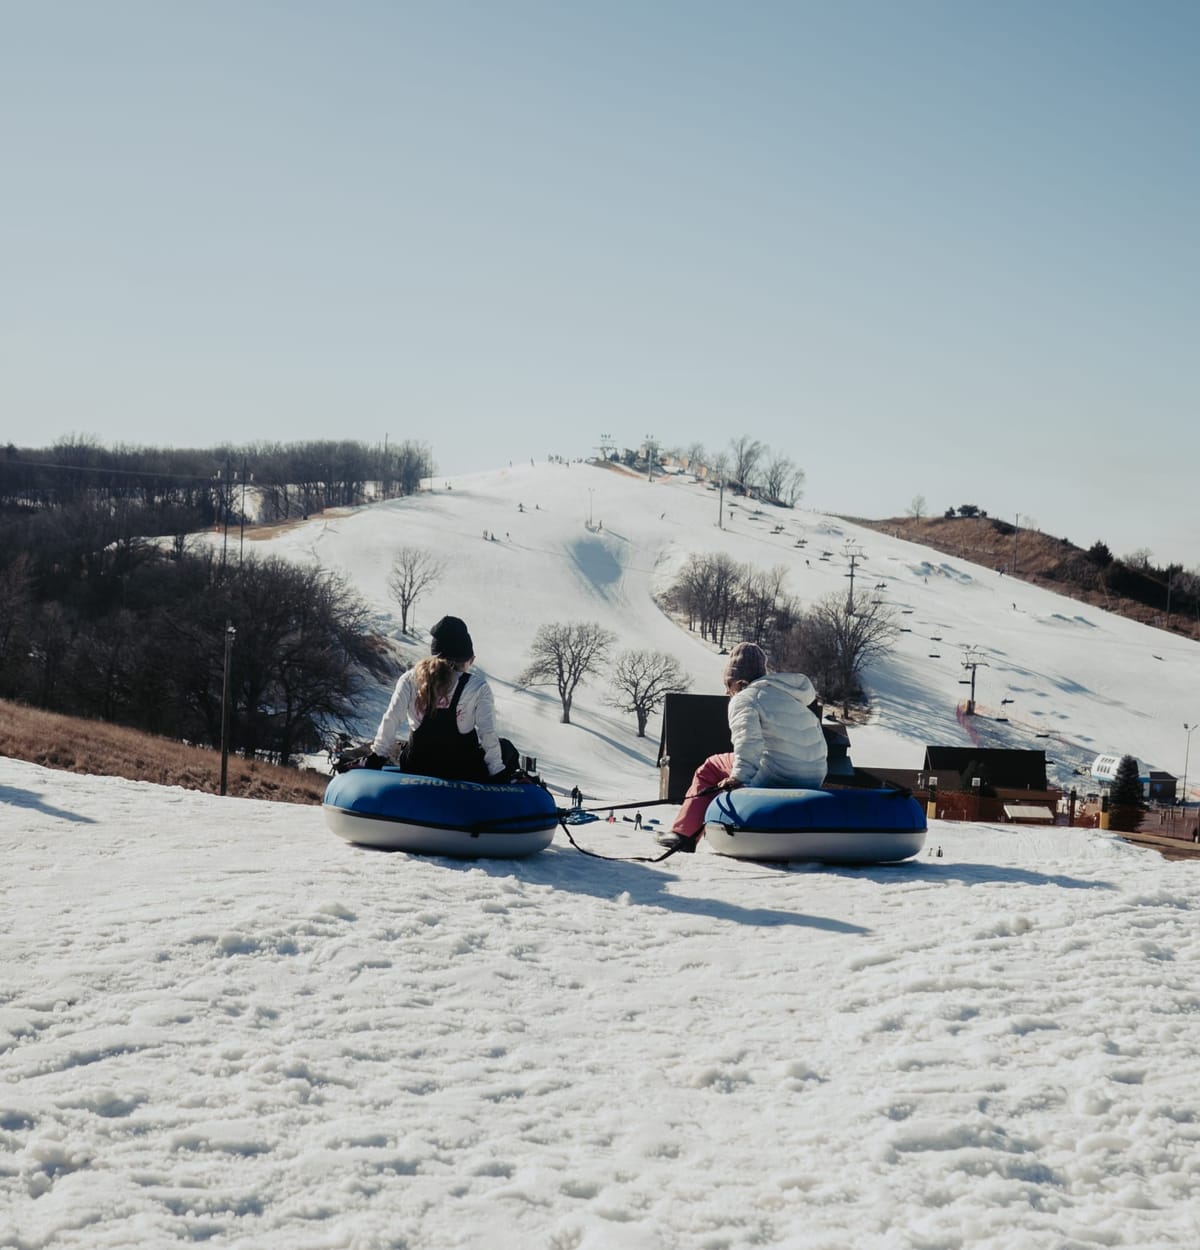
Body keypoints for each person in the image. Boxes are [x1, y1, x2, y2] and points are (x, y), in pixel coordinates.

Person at [657, 642, 827, 854]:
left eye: (728, 685)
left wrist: (739, 777)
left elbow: (748, 741)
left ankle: (683, 834)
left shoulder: (745, 699)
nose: (727, 692)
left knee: (710, 767)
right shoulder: (792, 698)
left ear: (739, 681)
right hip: (812, 778)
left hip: (775, 775)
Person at [366, 616, 511, 782]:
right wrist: (498, 773)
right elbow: (487, 733)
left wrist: (376, 757)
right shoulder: (477, 687)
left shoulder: (410, 679)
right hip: (463, 770)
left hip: (417, 766)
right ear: (468, 659)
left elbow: (391, 718)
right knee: (507, 748)